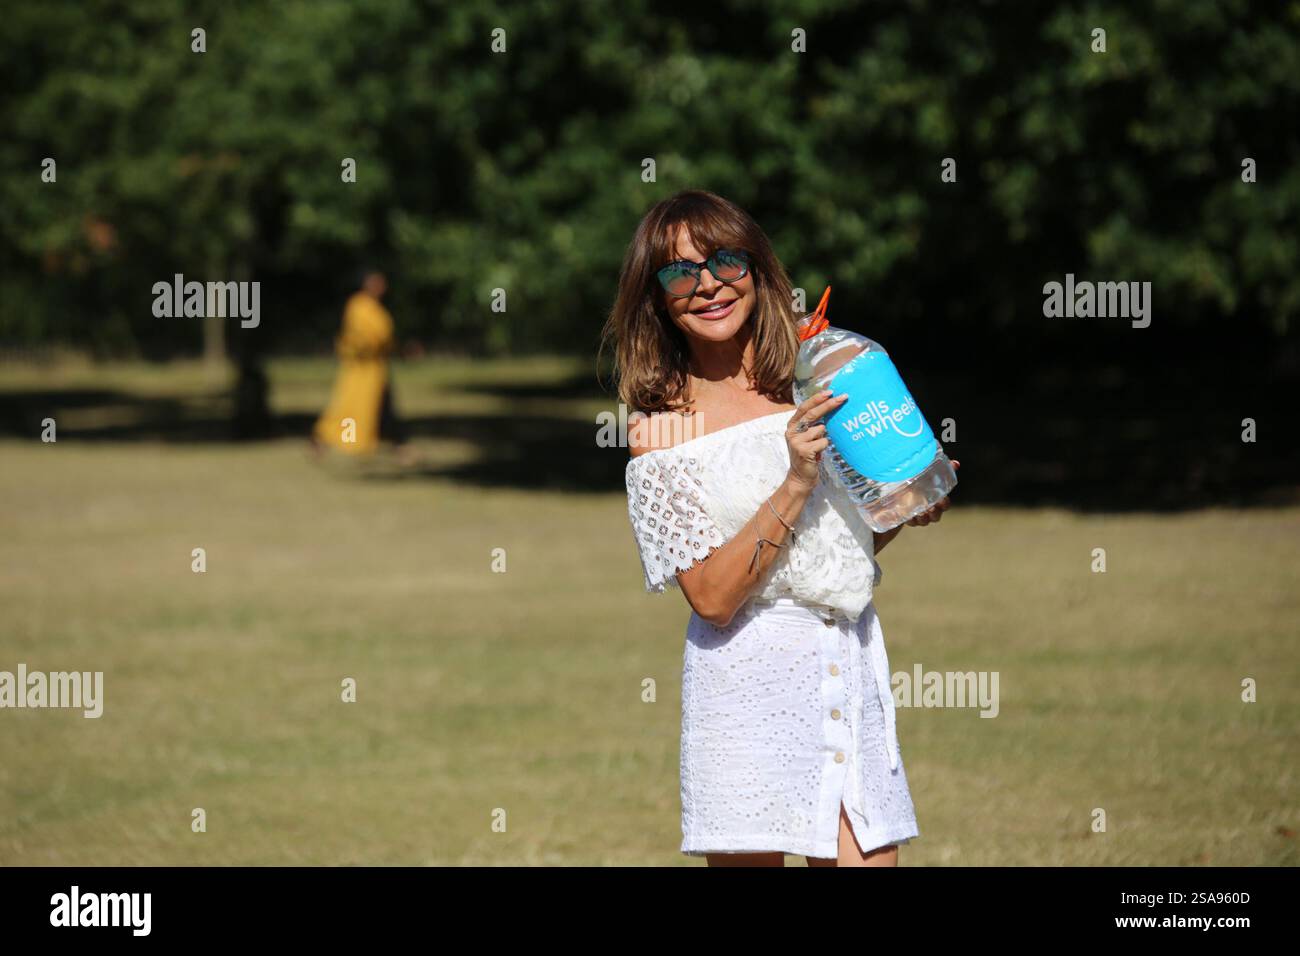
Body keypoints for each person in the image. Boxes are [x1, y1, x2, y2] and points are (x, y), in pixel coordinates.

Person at [601, 189, 957, 867]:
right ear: (655, 297)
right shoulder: (660, 429)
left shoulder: (809, 381)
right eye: (680, 272)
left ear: (758, 270)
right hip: (744, 684)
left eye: (725, 261)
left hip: (846, 660)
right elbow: (712, 597)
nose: (708, 286)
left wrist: (907, 508)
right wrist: (794, 478)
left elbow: (828, 548)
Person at [311, 269, 414, 462]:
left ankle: (400, 447)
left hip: (376, 369)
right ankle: (324, 440)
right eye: (376, 283)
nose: (381, 287)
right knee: (348, 408)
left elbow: (385, 336)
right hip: (360, 370)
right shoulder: (358, 306)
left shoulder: (374, 308)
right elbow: (364, 336)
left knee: (385, 409)